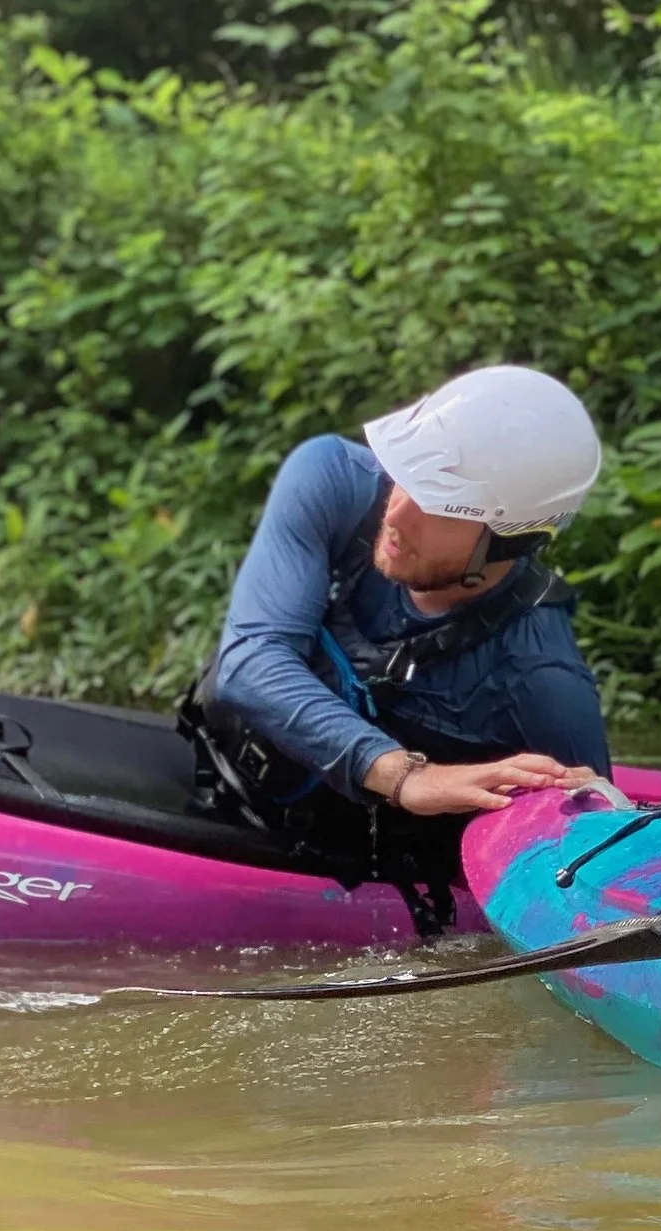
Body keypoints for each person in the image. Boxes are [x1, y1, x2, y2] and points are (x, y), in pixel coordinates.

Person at [192, 363, 610, 918]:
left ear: (508, 542)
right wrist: (406, 775)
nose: (395, 513)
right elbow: (250, 662)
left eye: (436, 502)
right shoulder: (333, 478)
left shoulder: (541, 683)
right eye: (405, 474)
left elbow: (598, 861)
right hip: (218, 780)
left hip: (347, 865)